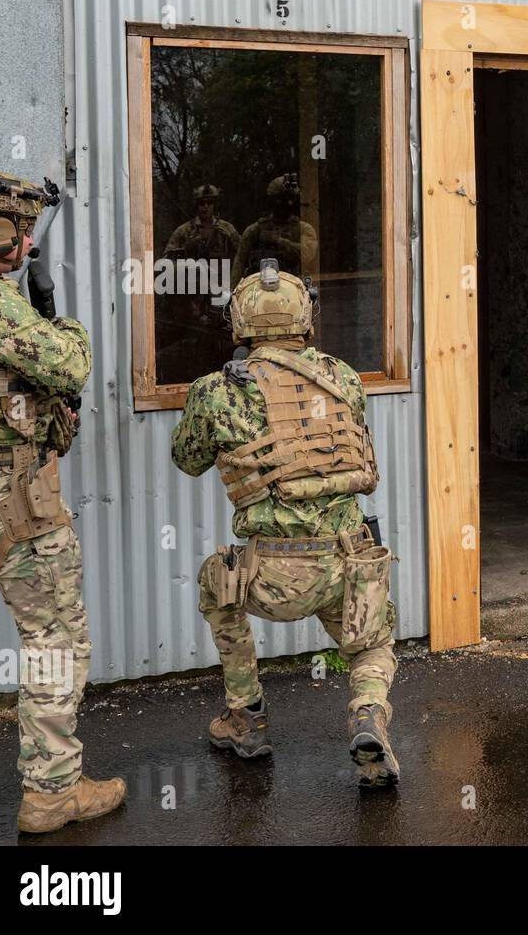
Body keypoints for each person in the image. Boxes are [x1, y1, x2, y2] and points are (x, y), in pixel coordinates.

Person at [171, 259, 399, 786]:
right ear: (306, 320)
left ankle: (247, 721)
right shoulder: (342, 377)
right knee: (372, 645)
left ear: (240, 324)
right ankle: (367, 716)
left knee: (215, 579)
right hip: (348, 566)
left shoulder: (218, 389)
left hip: (272, 579)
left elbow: (187, 459)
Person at [0, 169, 125, 831]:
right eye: (19, 228)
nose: (27, 239)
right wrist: (58, 316)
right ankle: (53, 790)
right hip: (9, 496)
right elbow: (67, 364)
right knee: (55, 638)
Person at [232, 174, 318, 288]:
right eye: (282, 199)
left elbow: (308, 255)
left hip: (293, 290)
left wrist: (279, 241)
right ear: (273, 201)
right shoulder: (255, 230)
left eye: (290, 199)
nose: (288, 203)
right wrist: (232, 292)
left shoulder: (304, 229)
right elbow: (239, 262)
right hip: (260, 290)